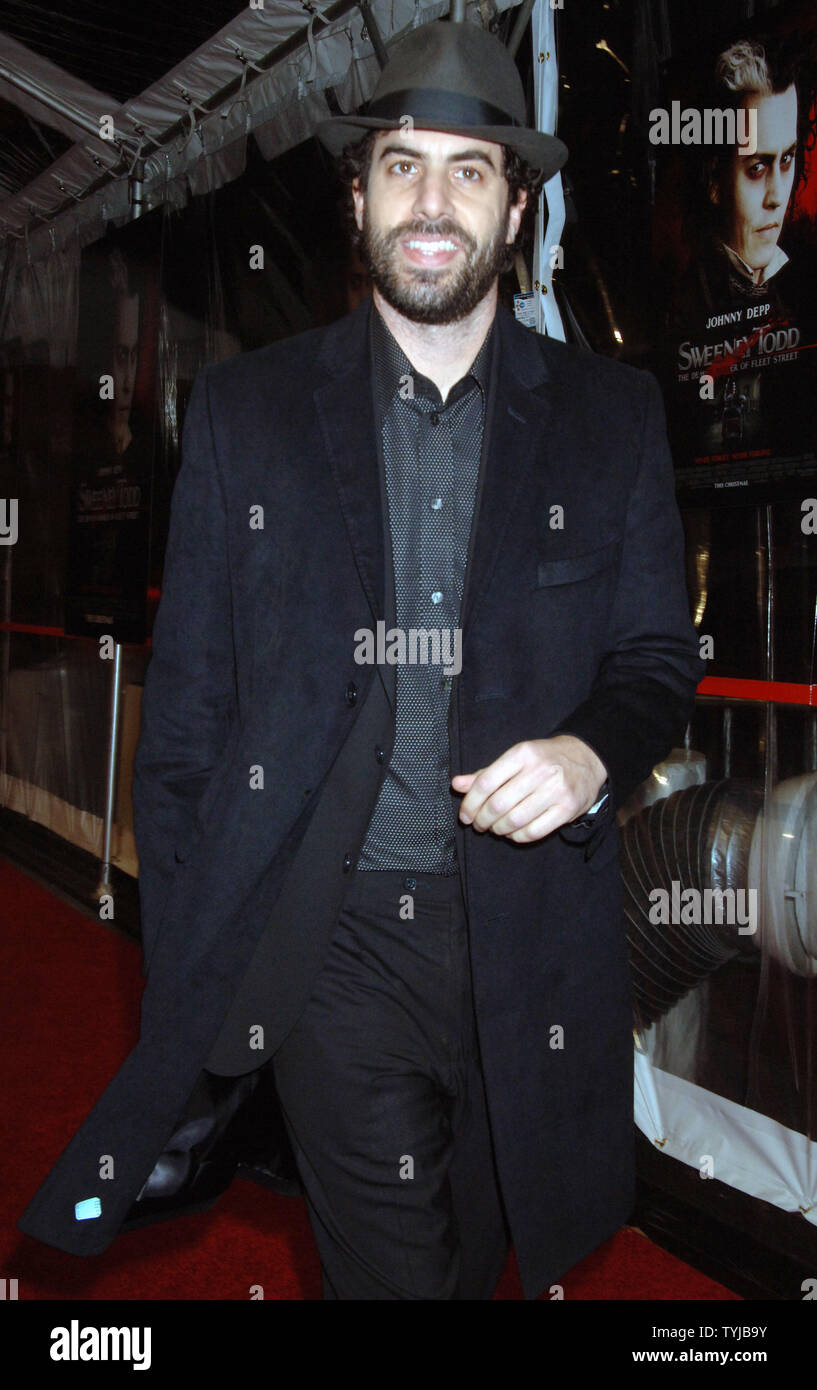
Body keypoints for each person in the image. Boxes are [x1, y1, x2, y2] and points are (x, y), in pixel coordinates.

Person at [19, 19, 704, 1300]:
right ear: (356, 194)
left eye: (469, 169)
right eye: (401, 165)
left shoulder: (610, 424)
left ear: (514, 213)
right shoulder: (246, 415)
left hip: (527, 938)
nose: (431, 202)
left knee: (474, 1255)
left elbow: (657, 655)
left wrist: (585, 751)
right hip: (329, 940)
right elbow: (187, 728)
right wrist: (200, 967)